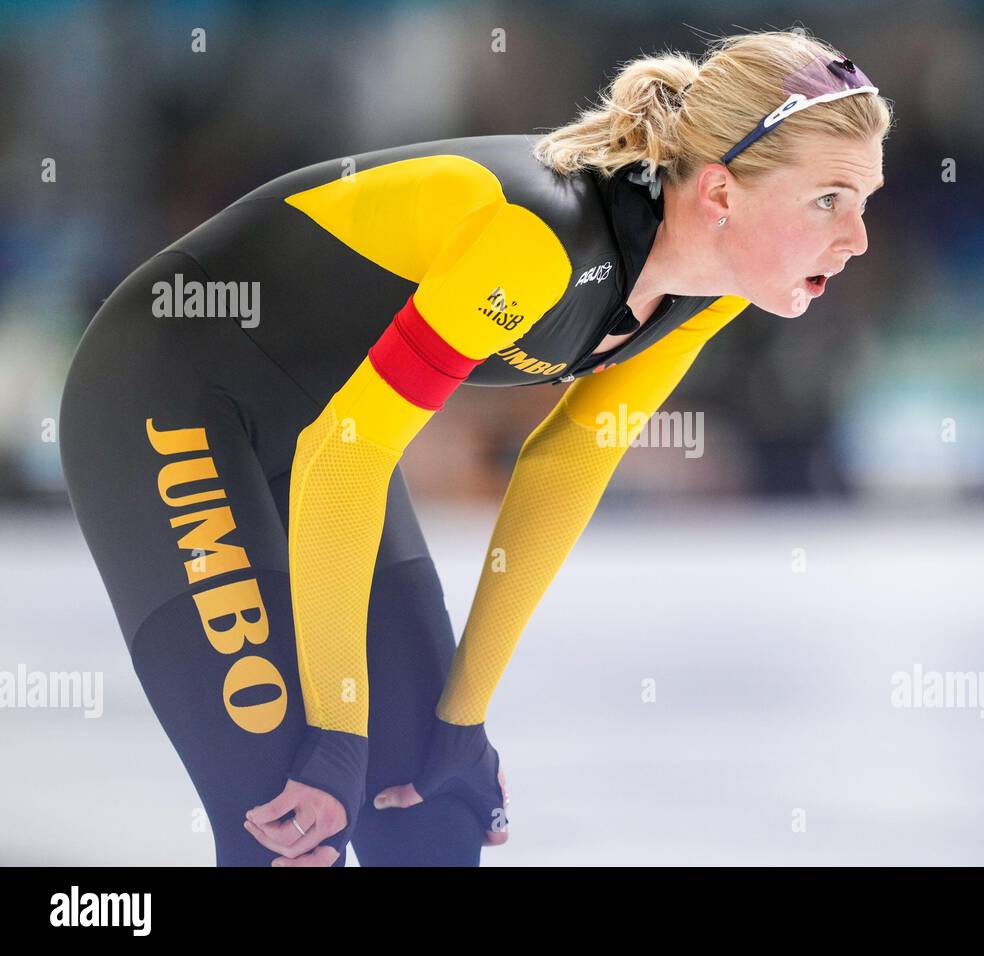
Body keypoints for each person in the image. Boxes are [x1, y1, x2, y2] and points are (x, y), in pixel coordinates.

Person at [57, 28, 891, 866]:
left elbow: (564, 462)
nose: (856, 238)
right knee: (289, 826)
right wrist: (340, 731)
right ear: (719, 192)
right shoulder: (535, 244)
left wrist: (463, 718)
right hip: (168, 383)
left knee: (430, 808)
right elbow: (347, 458)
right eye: (830, 199)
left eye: (865, 200)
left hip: (324, 423)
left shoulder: (706, 289)